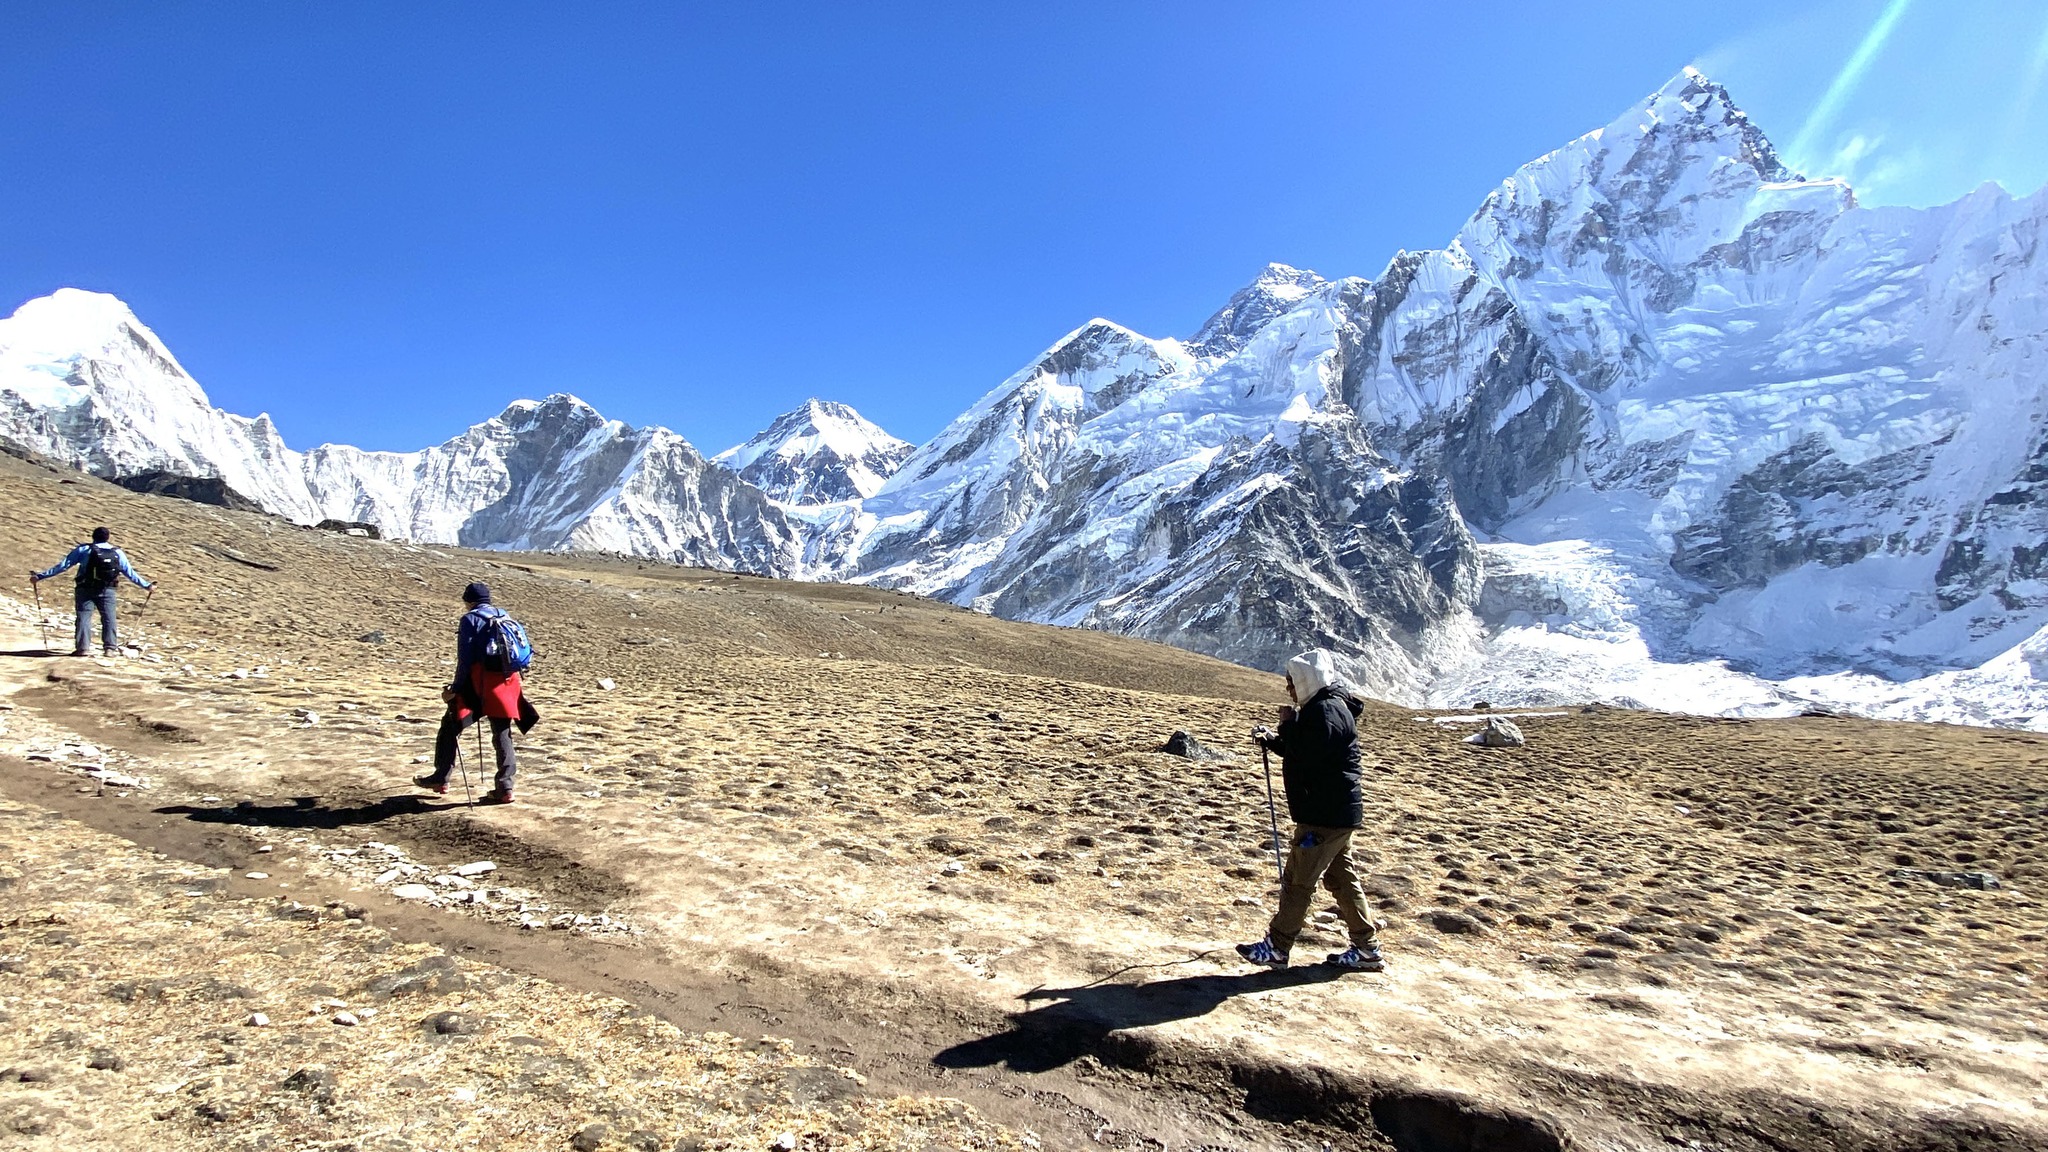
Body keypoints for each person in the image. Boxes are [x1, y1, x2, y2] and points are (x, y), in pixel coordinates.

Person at [1237, 649, 1385, 972]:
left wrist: (1287, 726)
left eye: (1291, 683)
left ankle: (1277, 947)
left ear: (1305, 681)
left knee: (1298, 880)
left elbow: (1308, 753)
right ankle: (1367, 948)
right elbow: (1305, 750)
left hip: (1323, 815)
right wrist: (1276, 740)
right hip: (1336, 813)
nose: (1288, 690)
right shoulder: (1327, 708)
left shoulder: (1326, 712)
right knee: (1341, 879)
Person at [414, 582, 530, 804]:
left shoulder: (470, 620)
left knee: (451, 725)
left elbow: (465, 660)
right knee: (503, 733)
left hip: (481, 684)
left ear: (468, 601)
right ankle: (505, 788)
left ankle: (441, 778)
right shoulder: (503, 615)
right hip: (507, 682)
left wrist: (455, 689)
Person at [30, 526, 156, 657]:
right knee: (109, 618)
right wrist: (147, 586)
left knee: (84, 617)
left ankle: (83, 648)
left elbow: (63, 566)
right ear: (108, 537)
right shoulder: (117, 552)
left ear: (93, 536)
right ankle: (110, 649)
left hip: (85, 588)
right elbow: (130, 573)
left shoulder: (84, 550)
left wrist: (40, 576)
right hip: (108, 589)